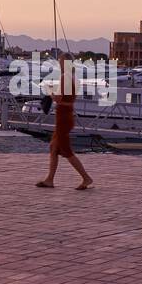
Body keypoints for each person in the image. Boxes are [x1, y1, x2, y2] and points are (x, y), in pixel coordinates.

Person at [36, 58, 94, 190]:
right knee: (53, 148)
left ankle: (86, 178)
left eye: (61, 62)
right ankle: (49, 179)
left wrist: (48, 90)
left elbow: (59, 98)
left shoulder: (64, 77)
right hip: (66, 115)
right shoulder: (74, 78)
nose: (59, 65)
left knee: (66, 151)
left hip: (63, 117)